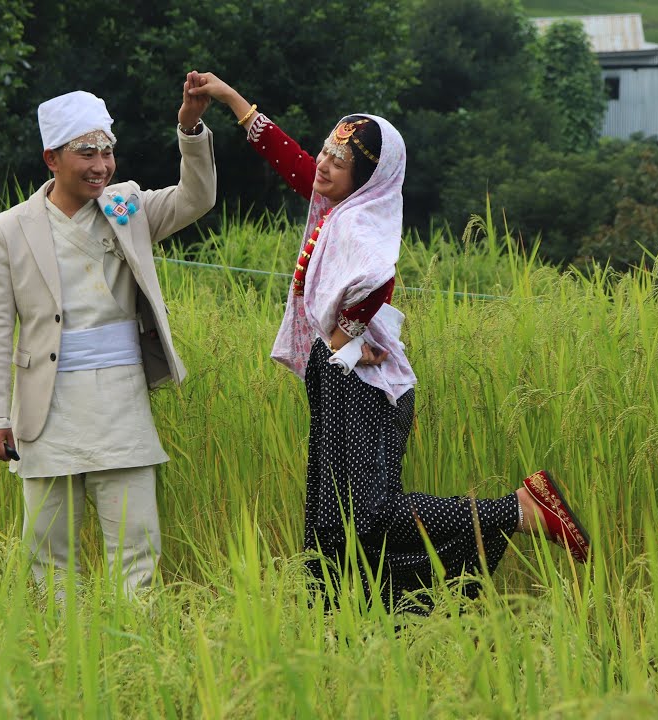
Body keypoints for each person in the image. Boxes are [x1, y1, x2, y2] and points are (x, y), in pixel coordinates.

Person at [188, 73, 590, 612]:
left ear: (368, 176)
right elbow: (296, 165)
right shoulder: (342, 207)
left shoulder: (360, 227)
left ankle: (519, 510)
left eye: (339, 159)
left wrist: (344, 338)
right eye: (328, 151)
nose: (324, 165)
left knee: (369, 515)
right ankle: (354, 630)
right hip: (338, 374)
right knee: (330, 531)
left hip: (364, 384)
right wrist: (228, 99)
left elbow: (379, 277)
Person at [0, 75, 216, 598]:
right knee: (47, 556)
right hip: (45, 409)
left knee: (136, 547)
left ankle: (139, 658)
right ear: (52, 159)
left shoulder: (124, 206)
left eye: (108, 152)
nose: (102, 165)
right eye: (87, 152)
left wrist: (190, 127)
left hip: (120, 404)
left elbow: (196, 198)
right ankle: (56, 657)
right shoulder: (10, 229)